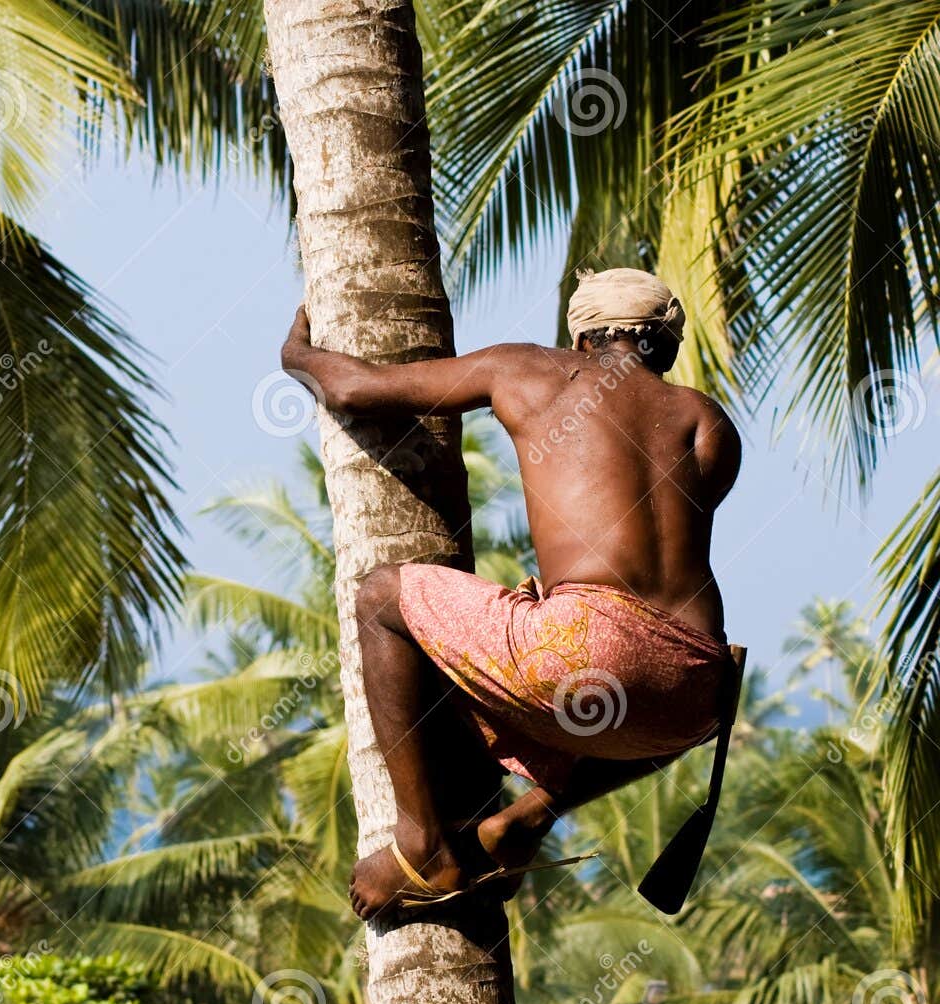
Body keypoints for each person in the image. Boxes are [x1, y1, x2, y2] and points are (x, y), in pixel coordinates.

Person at [279, 268, 742, 920]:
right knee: (628, 670)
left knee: (383, 597)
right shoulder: (707, 421)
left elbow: (354, 390)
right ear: (665, 348)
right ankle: (529, 817)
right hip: (696, 695)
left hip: (584, 654)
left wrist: (297, 356)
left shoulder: (528, 368)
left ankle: (422, 844)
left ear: (582, 338)